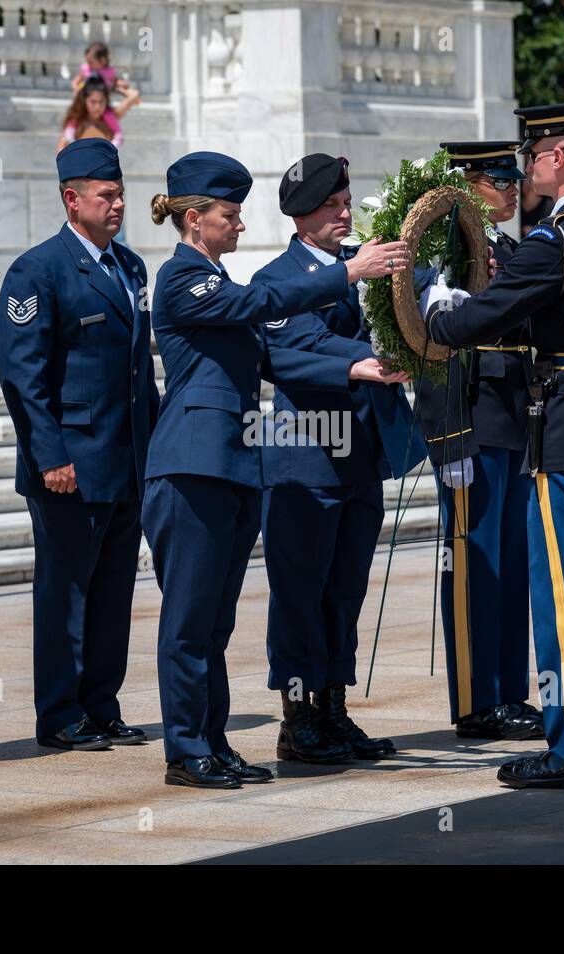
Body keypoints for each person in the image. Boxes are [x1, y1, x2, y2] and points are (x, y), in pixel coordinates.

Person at [143, 151, 411, 789]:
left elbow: (275, 349)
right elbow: (265, 300)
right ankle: (187, 749)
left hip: (236, 462)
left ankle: (213, 742)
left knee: (216, 620)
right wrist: (348, 273)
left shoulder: (219, 283)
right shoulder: (182, 278)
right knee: (189, 619)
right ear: (193, 218)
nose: (240, 224)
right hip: (191, 463)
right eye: (229, 214)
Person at [424, 102, 564, 790]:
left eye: (535, 155)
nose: (528, 168)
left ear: (561, 156)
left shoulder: (557, 240)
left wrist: (434, 312)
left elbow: (484, 319)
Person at [254, 154, 427, 763]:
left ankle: (333, 709)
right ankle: (297, 720)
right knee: (300, 593)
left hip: (360, 455)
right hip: (306, 458)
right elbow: (299, 345)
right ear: (301, 216)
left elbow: (412, 289)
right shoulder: (278, 278)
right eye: (331, 205)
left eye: (347, 202)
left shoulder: (363, 262)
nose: (344, 213)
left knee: (345, 590)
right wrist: (362, 361)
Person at [0, 139, 159, 753]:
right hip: (69, 465)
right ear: (71, 199)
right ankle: (60, 712)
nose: (117, 205)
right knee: (66, 592)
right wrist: (50, 456)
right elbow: (24, 376)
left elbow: (139, 374)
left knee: (114, 592)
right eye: (105, 195)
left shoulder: (130, 267)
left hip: (125, 460)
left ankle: (100, 704)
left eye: (120, 194)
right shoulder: (38, 270)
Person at [413, 141, 545, 744]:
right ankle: (475, 700)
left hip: (514, 419)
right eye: (498, 180)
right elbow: (433, 347)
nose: (512, 189)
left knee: (512, 562)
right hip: (472, 421)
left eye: (513, 179)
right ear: (467, 185)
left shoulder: (511, 250)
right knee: (474, 563)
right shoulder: (444, 255)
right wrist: (447, 438)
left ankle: (509, 692)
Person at [57, 75, 140, 152]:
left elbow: (134, 94)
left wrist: (116, 88)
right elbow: (61, 149)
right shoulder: (76, 119)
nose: (97, 107)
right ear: (84, 100)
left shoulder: (113, 115)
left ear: (106, 101)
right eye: (93, 102)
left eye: (101, 101)